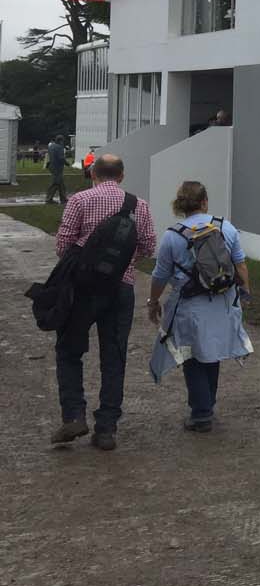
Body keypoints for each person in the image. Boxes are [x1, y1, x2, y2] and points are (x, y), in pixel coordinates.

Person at [50, 154, 156, 451]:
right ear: (121, 176)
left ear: (93, 174)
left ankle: (73, 415)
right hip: (121, 288)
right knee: (114, 356)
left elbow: (62, 245)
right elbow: (148, 246)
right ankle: (106, 429)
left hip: (81, 290)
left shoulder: (79, 201)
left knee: (69, 351)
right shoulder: (139, 205)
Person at [147, 181, 251, 432]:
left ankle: (202, 412)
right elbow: (240, 265)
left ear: (181, 205)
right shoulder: (226, 227)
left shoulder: (173, 235)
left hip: (189, 303)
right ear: (205, 201)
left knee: (192, 355)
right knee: (211, 350)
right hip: (221, 300)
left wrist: (153, 301)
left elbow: (160, 275)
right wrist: (245, 292)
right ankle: (206, 405)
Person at [45, 135, 68, 204]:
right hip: (57, 168)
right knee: (55, 183)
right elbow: (61, 158)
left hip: (52, 167)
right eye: (62, 141)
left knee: (61, 184)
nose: (63, 142)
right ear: (60, 141)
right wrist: (67, 163)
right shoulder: (59, 147)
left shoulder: (51, 146)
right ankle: (49, 199)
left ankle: (63, 198)